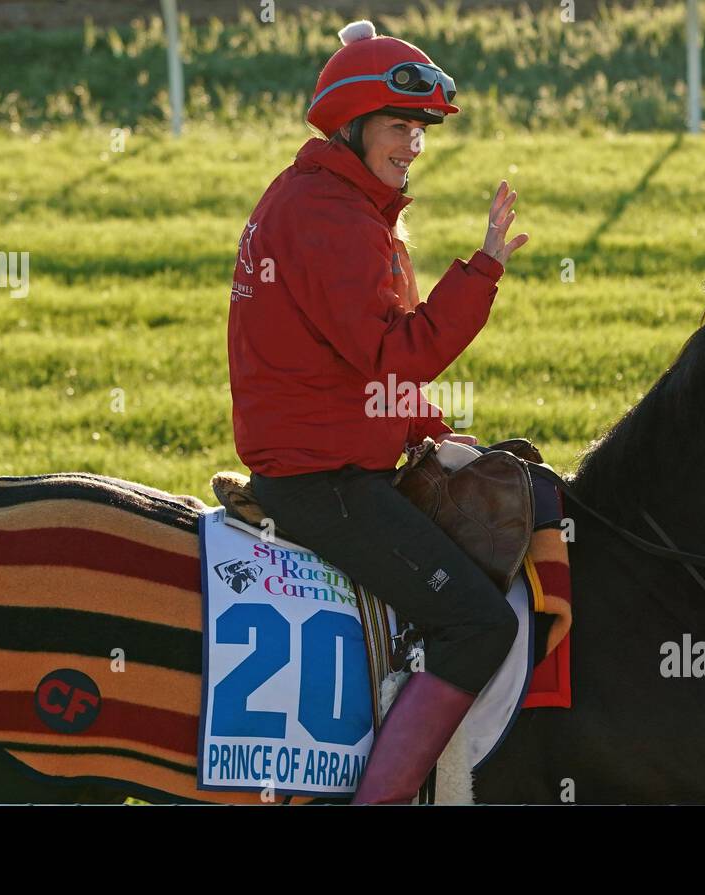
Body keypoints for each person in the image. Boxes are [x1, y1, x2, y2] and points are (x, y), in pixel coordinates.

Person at [226, 19, 529, 804]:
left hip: (325, 457)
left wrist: (427, 427)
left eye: (420, 131)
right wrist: (484, 271)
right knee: (479, 624)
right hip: (322, 480)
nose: (413, 145)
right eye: (399, 127)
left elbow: (358, 364)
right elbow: (401, 352)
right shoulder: (331, 218)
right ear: (353, 127)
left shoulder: (335, 201)